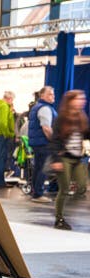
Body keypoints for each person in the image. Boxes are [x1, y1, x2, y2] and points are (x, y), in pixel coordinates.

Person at [48, 90, 89, 230]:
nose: (83, 101)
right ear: (70, 101)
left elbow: (86, 135)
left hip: (78, 158)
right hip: (64, 157)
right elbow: (54, 140)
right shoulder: (61, 119)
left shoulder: (82, 117)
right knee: (64, 189)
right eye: (79, 99)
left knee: (82, 186)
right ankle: (59, 218)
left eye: (83, 99)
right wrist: (56, 159)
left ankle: (67, 210)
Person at [28, 86, 57, 203]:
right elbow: (46, 128)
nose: (53, 96)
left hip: (37, 142)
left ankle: (35, 192)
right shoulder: (45, 108)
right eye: (50, 94)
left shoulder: (37, 107)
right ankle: (38, 194)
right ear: (42, 96)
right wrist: (54, 140)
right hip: (44, 143)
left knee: (38, 168)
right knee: (43, 169)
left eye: (53, 94)